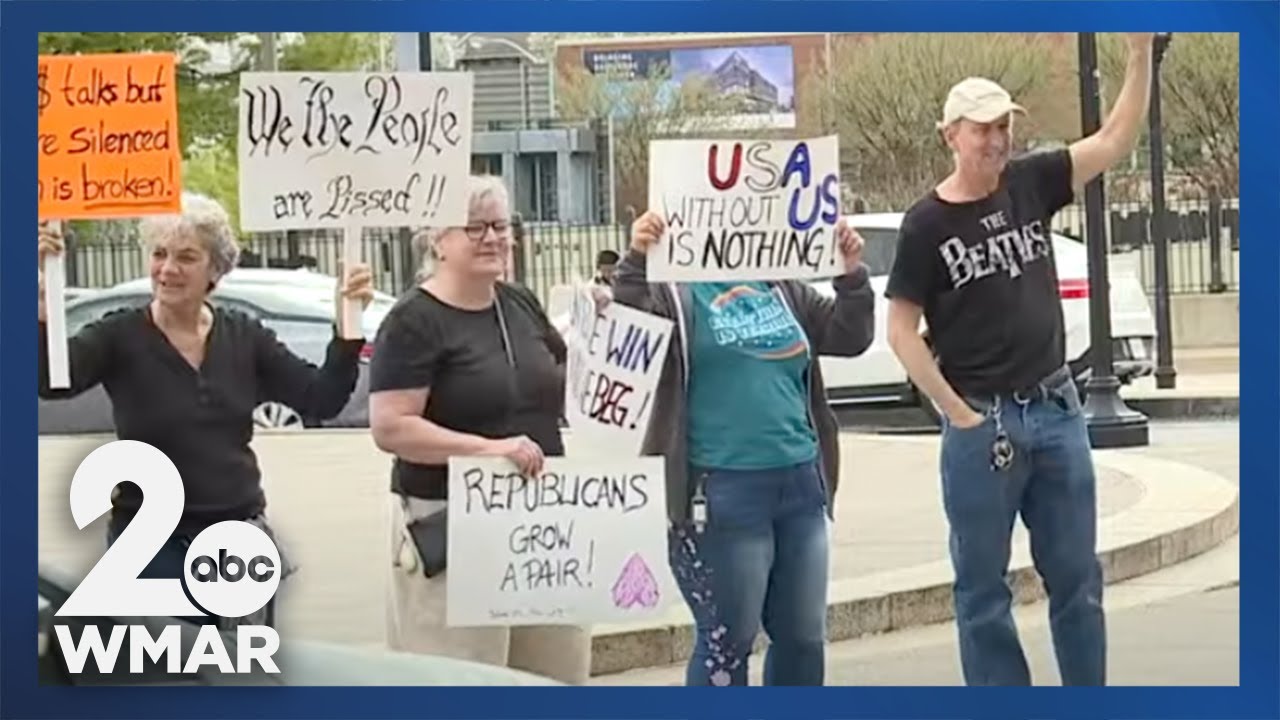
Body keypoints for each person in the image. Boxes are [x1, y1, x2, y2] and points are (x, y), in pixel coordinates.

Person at [883, 33, 1157, 686]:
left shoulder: (1031, 182)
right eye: (982, 129)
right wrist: (958, 414)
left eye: (1003, 127)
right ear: (951, 135)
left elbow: (1114, 139)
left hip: (1056, 408)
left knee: (1078, 579)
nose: (996, 140)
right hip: (984, 424)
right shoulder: (925, 225)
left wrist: (1140, 54)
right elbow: (901, 331)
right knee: (982, 592)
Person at [37, 192, 374, 628]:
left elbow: (321, 398)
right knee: (170, 668)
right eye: (159, 254)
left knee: (240, 666)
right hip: (149, 546)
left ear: (216, 269)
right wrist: (40, 310)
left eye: (186, 257)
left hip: (235, 539)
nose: (167, 269)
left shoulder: (244, 336)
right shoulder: (119, 335)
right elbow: (51, 381)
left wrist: (347, 326)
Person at [607, 211, 875, 686]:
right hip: (721, 492)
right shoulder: (675, 292)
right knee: (727, 643)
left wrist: (851, 275)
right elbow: (629, 329)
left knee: (803, 639)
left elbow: (848, 336)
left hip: (800, 486)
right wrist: (636, 260)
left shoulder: (781, 286)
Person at [367, 175, 591, 684]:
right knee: (463, 681)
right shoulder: (413, 321)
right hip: (450, 527)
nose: (493, 238)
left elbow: (567, 379)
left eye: (500, 225)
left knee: (553, 676)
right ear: (437, 241)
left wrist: (599, 327)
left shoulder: (518, 303)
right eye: (474, 227)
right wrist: (488, 450)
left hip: (540, 527)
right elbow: (391, 427)